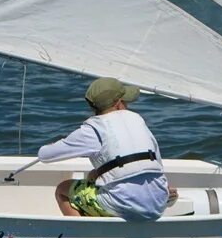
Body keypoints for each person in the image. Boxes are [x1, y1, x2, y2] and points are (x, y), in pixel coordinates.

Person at [38, 77, 170, 221]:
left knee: (63, 189)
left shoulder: (92, 130)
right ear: (119, 104)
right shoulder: (138, 120)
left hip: (121, 205)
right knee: (95, 175)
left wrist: (52, 146)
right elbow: (158, 164)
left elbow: (44, 156)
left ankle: (84, 237)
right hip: (159, 201)